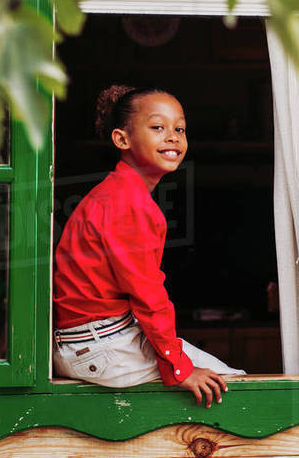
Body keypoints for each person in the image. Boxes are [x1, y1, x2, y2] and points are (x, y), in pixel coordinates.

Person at [52, 85, 244, 406]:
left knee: (224, 378)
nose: (172, 137)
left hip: (97, 340)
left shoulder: (121, 193)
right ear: (122, 140)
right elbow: (147, 294)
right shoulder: (127, 202)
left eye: (179, 128)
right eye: (158, 127)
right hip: (100, 346)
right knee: (232, 391)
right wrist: (179, 367)